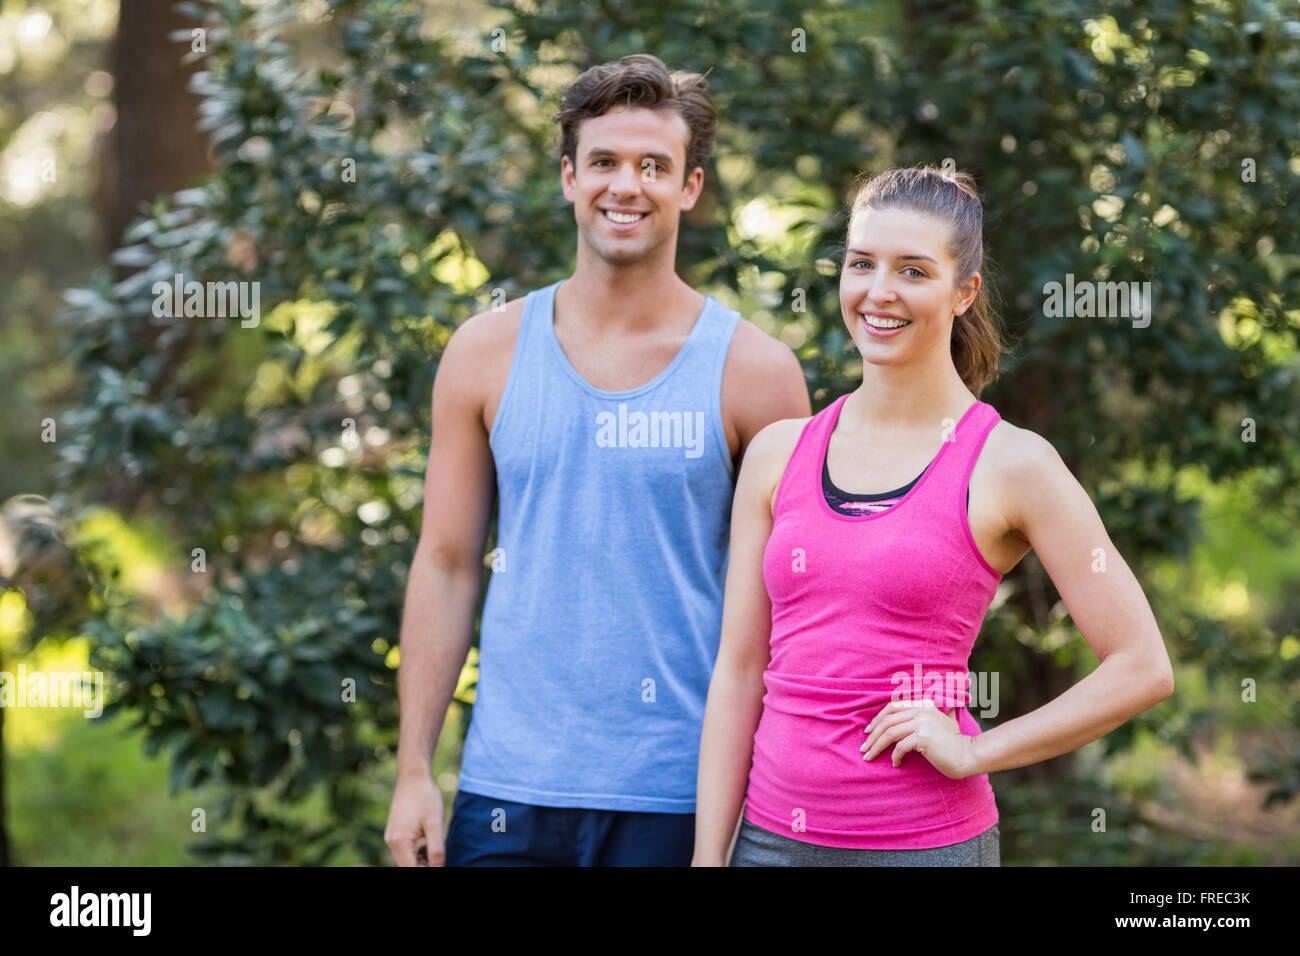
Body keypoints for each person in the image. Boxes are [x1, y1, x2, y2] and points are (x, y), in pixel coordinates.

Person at [383, 53, 810, 867]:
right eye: (606, 162)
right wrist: (415, 773)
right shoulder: (484, 354)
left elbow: (793, 602)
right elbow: (443, 563)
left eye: (655, 165)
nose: (627, 185)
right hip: (508, 796)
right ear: (570, 177)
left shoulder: (758, 375)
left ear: (690, 187)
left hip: (683, 798)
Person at [692, 165, 1174, 867]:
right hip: (768, 841)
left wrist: (977, 749)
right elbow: (739, 671)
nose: (878, 293)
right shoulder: (779, 453)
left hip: (922, 846)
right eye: (862, 264)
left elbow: (1142, 666)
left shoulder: (1010, 463)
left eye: (913, 271)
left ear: (963, 293)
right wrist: (710, 858)